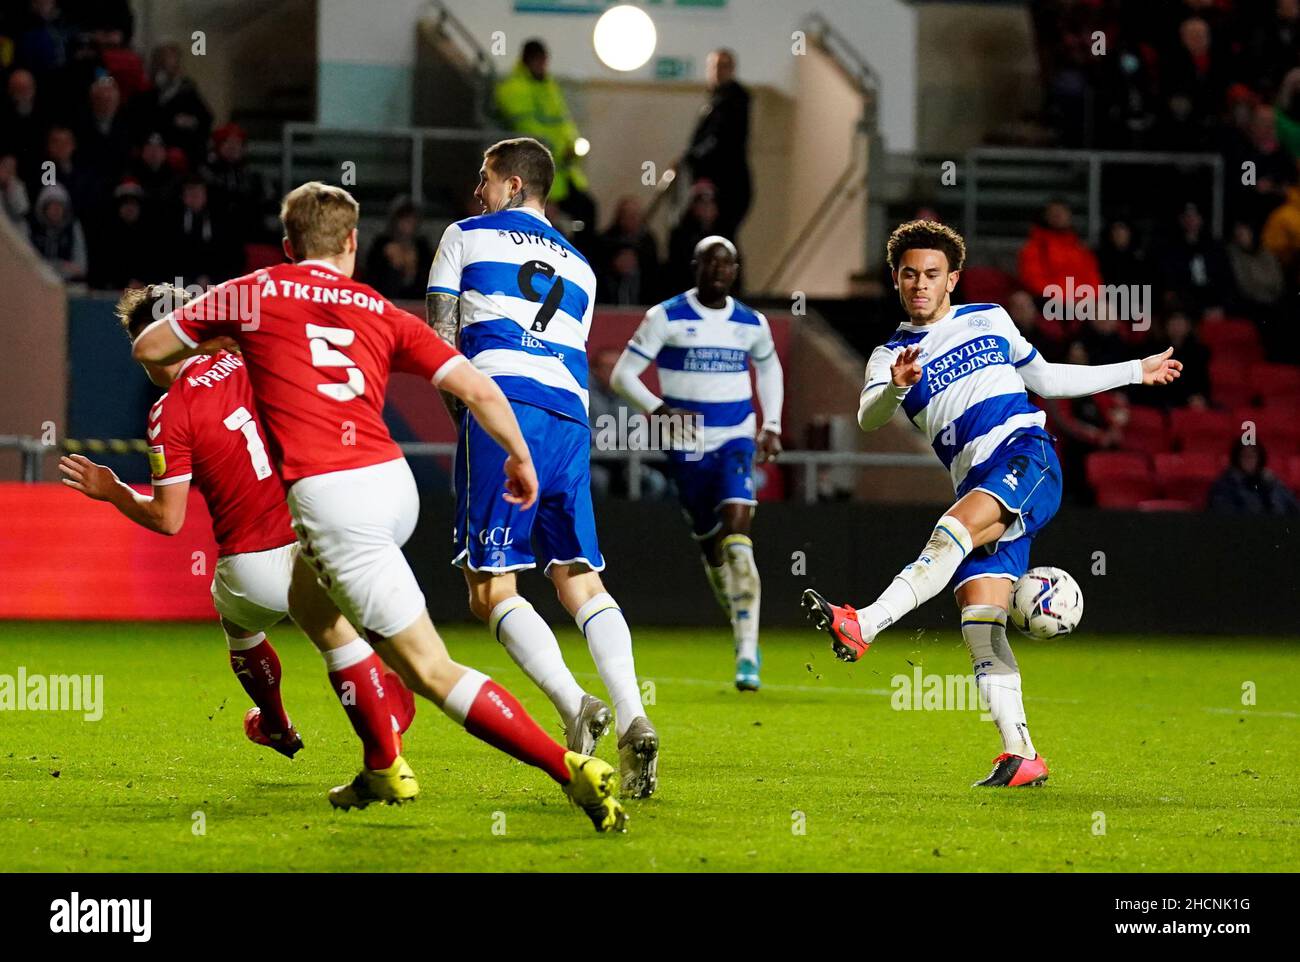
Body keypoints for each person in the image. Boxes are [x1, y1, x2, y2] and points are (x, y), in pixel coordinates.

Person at [131, 180, 626, 831]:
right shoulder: (376, 306)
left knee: (429, 668)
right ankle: (380, 762)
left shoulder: (253, 291)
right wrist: (520, 458)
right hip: (392, 483)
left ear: (287, 245)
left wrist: (216, 343)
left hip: (335, 500)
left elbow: (149, 347)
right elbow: (475, 386)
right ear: (353, 245)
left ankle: (570, 770)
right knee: (311, 602)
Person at [802, 220, 1182, 788]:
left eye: (932, 274)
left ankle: (865, 623)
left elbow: (1047, 379)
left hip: (1026, 456)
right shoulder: (888, 355)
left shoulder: (990, 319)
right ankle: (1021, 754)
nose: (920, 284)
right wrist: (899, 386)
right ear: (896, 280)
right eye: (909, 275)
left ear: (952, 277)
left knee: (947, 536)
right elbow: (869, 416)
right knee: (981, 621)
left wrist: (1135, 370)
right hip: (976, 481)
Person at [426, 137, 659, 799]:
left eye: (485, 179)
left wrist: (476, 426)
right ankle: (634, 714)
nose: (478, 192)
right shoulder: (583, 267)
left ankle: (572, 704)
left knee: (490, 589)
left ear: (512, 184)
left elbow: (440, 343)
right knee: (579, 576)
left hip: (502, 403)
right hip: (569, 416)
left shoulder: (465, 235)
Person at [59, 282, 380, 761]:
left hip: (252, 569)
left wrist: (114, 491)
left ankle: (275, 723)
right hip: (319, 535)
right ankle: (384, 742)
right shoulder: (246, 353)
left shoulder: (168, 412)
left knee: (239, 625)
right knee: (344, 639)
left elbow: (169, 520)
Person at [610, 236, 784, 690]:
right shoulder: (665, 316)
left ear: (736, 270)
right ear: (695, 267)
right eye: (710, 263)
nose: (719, 271)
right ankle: (741, 628)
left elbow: (769, 368)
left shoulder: (751, 323)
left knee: (737, 528)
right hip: (685, 446)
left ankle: (747, 651)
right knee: (712, 550)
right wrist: (660, 411)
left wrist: (773, 423)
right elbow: (622, 375)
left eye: (727, 264)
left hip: (735, 439)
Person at [494, 39, 596, 253]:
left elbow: (564, 123)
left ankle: (583, 262)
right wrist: (559, 150)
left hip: (562, 172)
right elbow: (527, 129)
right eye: (539, 61)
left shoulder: (549, 87)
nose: (542, 66)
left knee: (588, 210)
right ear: (527, 61)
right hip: (536, 173)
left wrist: (572, 146)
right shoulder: (513, 88)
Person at [680, 48, 752, 243]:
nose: (718, 71)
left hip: (727, 183)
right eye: (715, 67)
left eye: (723, 66)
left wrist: (692, 157)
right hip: (722, 182)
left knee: (721, 237)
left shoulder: (734, 99)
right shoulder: (719, 100)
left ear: (732, 69)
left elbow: (721, 140)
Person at [364, 195, 432, 301]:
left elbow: (429, 283)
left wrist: (411, 268)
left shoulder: (422, 248)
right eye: (404, 218)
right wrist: (392, 265)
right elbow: (371, 281)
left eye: (412, 219)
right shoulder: (380, 246)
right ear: (394, 220)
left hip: (417, 304)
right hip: (386, 303)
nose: (408, 224)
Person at [1209, 440, 1300, 515]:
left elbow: (1294, 508)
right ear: (1237, 458)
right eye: (1244, 456)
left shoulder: (1273, 483)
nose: (1249, 460)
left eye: (1253, 456)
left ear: (1259, 458)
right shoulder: (1224, 485)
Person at [28, 182, 87, 281]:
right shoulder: (33, 230)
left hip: (68, 285)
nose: (56, 210)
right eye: (52, 205)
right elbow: (28, 263)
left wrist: (55, 267)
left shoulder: (73, 229)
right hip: (37, 283)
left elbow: (81, 268)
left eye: (59, 206)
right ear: (44, 208)